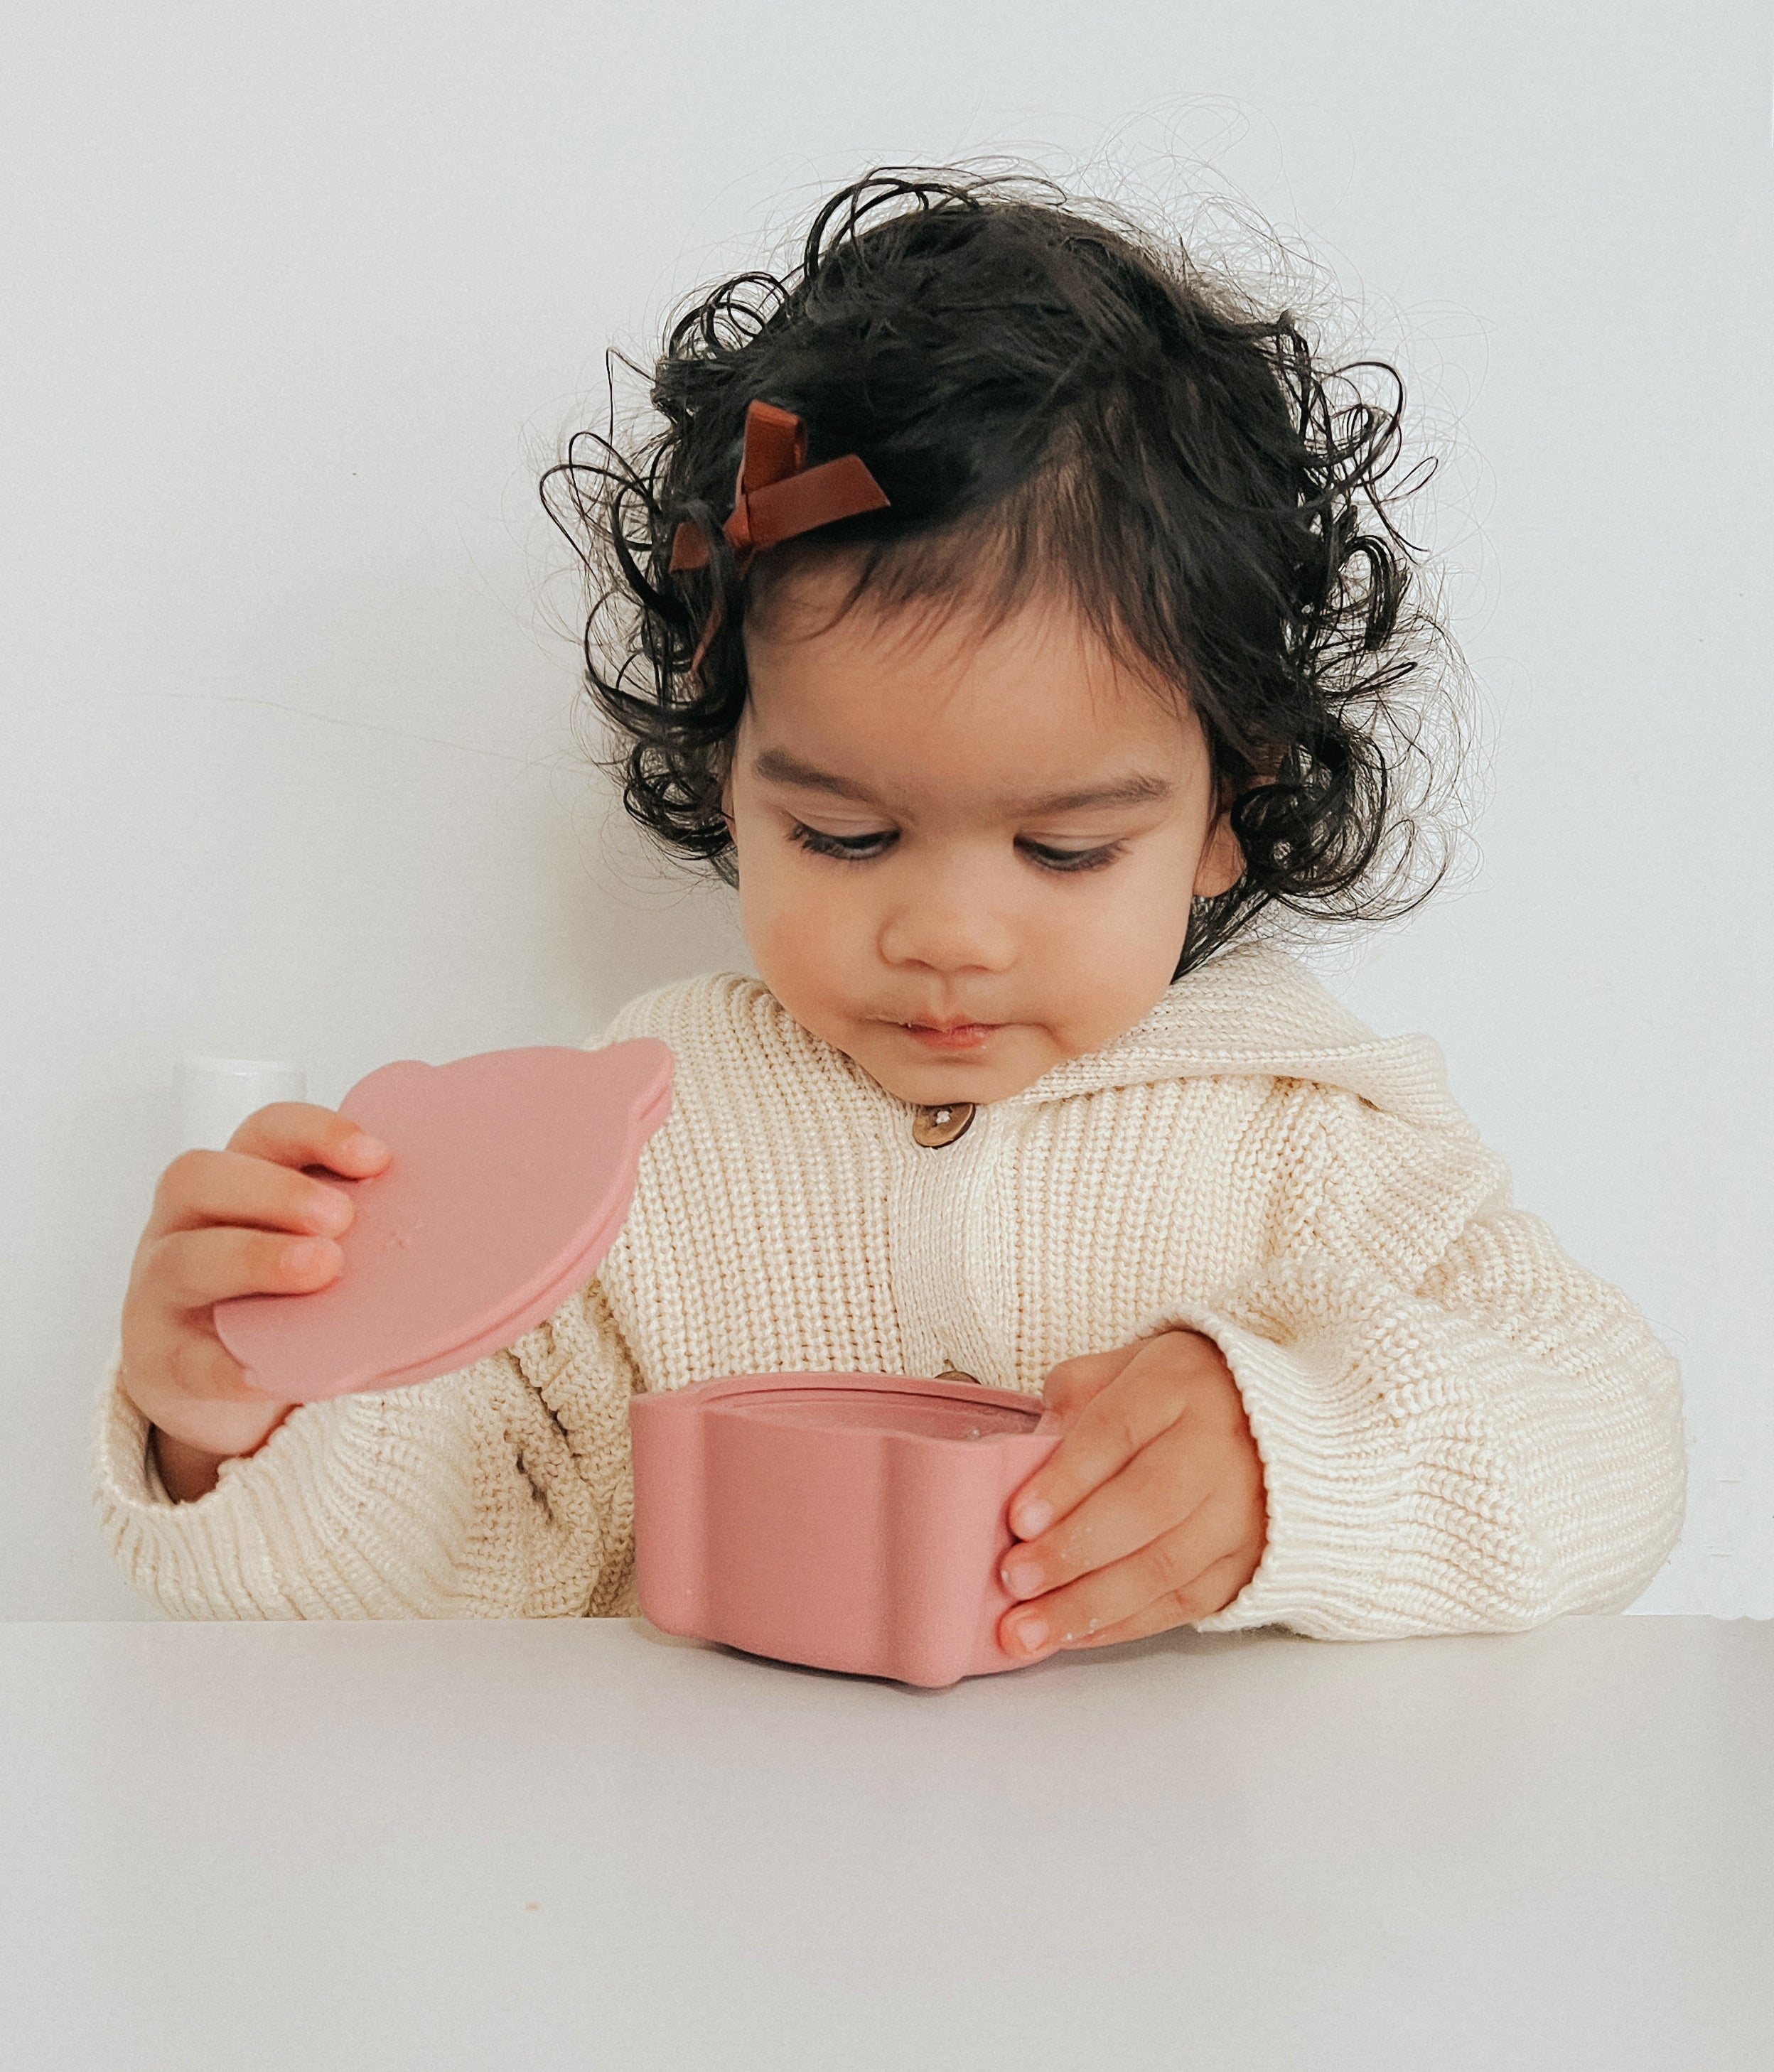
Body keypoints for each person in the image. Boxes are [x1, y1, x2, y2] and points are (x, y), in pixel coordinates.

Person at [96, 168, 1685, 1651]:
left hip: (1189, 1909)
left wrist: (1294, 1463)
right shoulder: (633, 1147)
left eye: (1064, 852)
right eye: (846, 834)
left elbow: (1609, 1440)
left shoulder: (1306, 1137)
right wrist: (255, 1406)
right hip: (719, 1895)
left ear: (1231, 813)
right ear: (728, 773)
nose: (949, 937)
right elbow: (458, 1570)